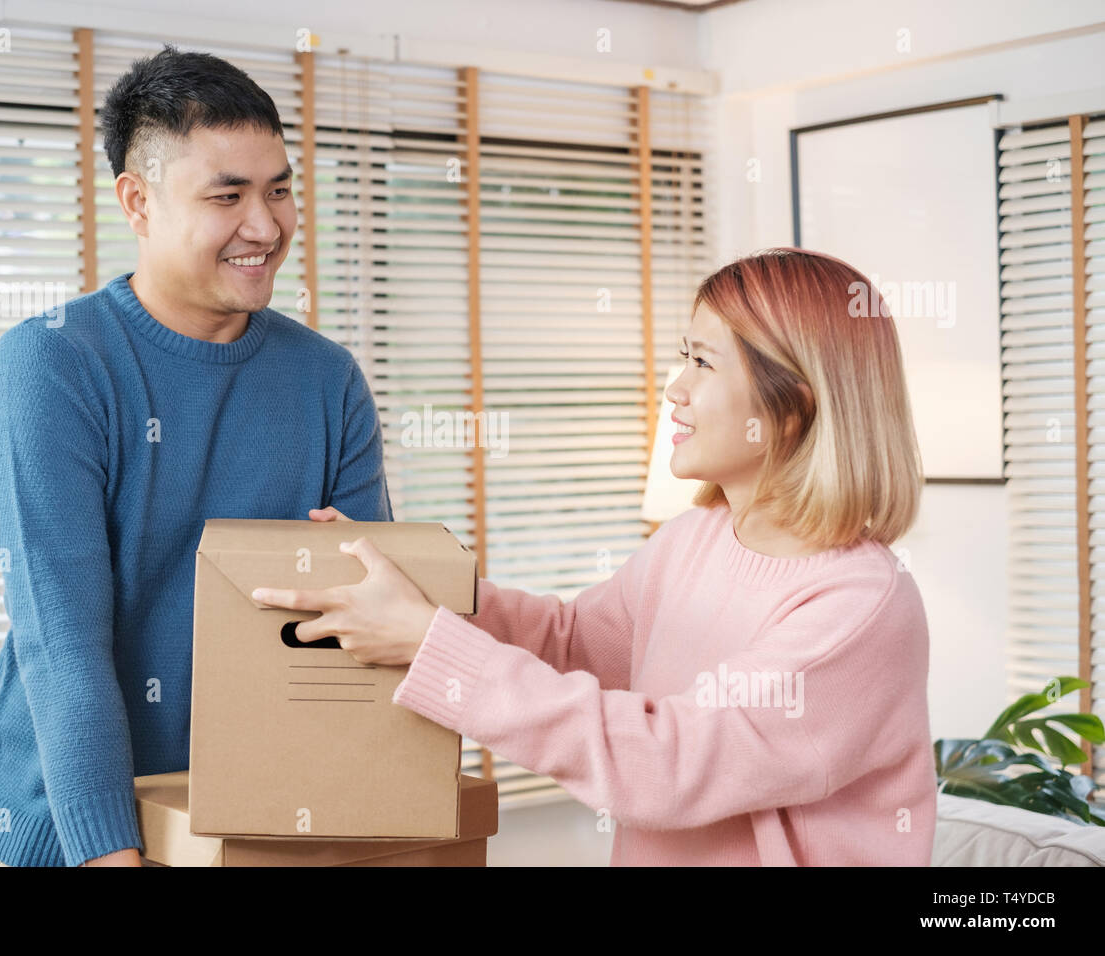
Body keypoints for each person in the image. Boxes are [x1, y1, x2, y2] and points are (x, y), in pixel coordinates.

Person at [253, 247, 936, 866]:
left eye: (703, 361)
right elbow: (572, 642)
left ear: (793, 407)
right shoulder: (690, 542)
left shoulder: (857, 607)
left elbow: (669, 766)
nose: (676, 388)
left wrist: (427, 645)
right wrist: (421, 585)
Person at [0, 45, 392, 867]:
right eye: (227, 196)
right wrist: (110, 857)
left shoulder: (327, 379)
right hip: (71, 833)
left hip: (261, 820)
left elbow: (367, 626)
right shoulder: (51, 367)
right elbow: (63, 647)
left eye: (279, 190)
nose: (265, 227)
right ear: (138, 201)